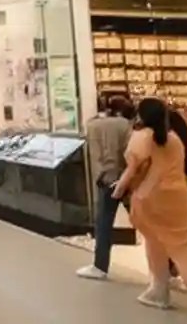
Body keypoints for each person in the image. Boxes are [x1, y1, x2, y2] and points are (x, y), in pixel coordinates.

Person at [112, 97, 187, 320]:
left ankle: (160, 289)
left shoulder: (141, 138)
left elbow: (132, 170)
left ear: (142, 115)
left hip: (150, 197)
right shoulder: (174, 139)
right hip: (178, 197)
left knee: (154, 241)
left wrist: (118, 190)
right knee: (179, 247)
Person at [77, 95, 134, 281]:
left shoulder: (93, 125)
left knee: (103, 223)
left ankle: (100, 265)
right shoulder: (126, 125)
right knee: (146, 222)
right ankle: (169, 266)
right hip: (126, 177)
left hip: (105, 178)